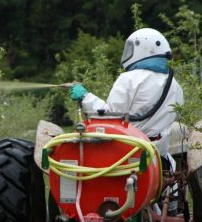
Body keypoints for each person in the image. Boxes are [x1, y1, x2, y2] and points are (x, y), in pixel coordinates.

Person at [69, 27, 184, 159]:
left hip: (128, 152)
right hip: (158, 155)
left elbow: (110, 115)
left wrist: (85, 97)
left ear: (143, 48)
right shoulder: (175, 85)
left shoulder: (129, 78)